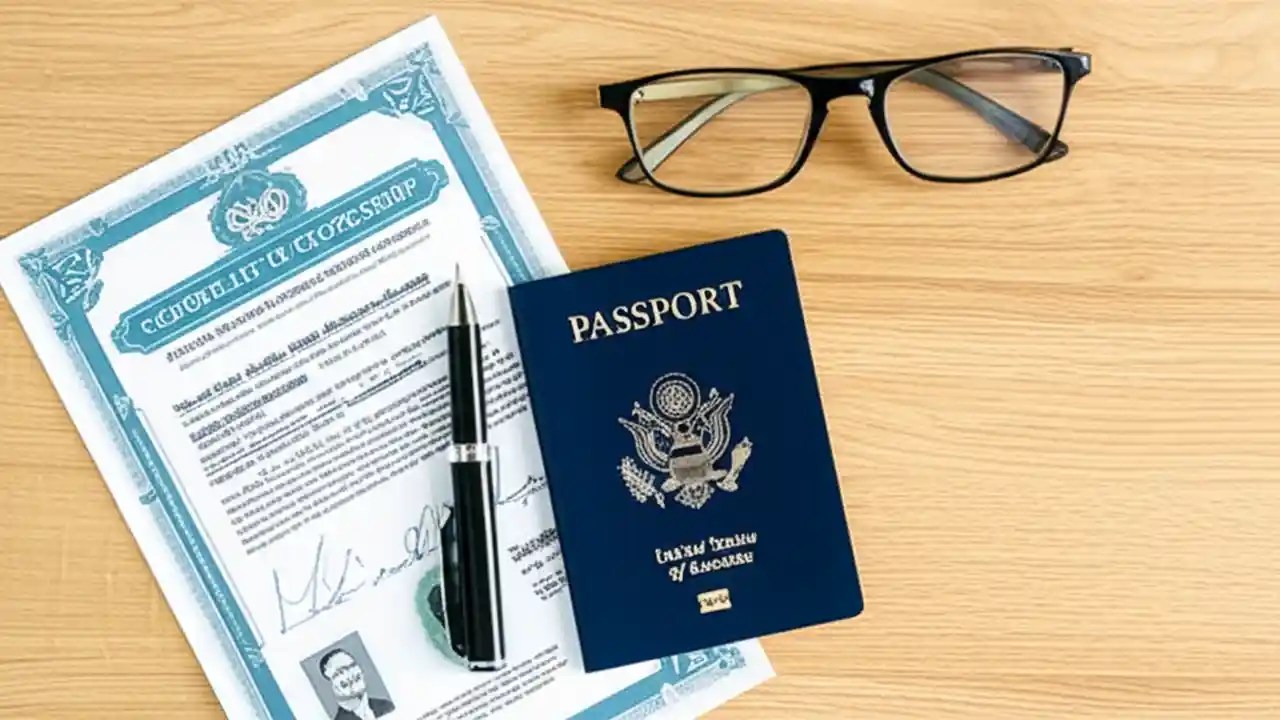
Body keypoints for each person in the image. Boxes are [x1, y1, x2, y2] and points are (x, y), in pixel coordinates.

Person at [318, 648, 396, 720]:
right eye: (340, 672)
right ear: (335, 686)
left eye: (352, 665)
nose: (350, 673)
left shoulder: (386, 705)